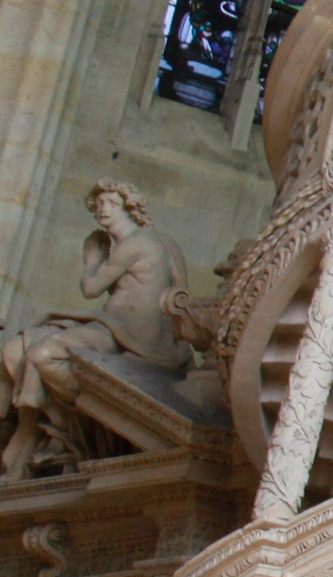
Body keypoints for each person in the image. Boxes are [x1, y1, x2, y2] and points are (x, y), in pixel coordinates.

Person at [0, 183, 205, 475]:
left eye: (111, 202)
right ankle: (52, 425)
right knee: (13, 350)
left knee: (43, 353)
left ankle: (62, 422)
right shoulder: (133, 242)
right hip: (110, 325)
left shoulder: (139, 241)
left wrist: (92, 262)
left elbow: (91, 288)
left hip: (134, 333)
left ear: (129, 208)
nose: (103, 209)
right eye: (98, 204)